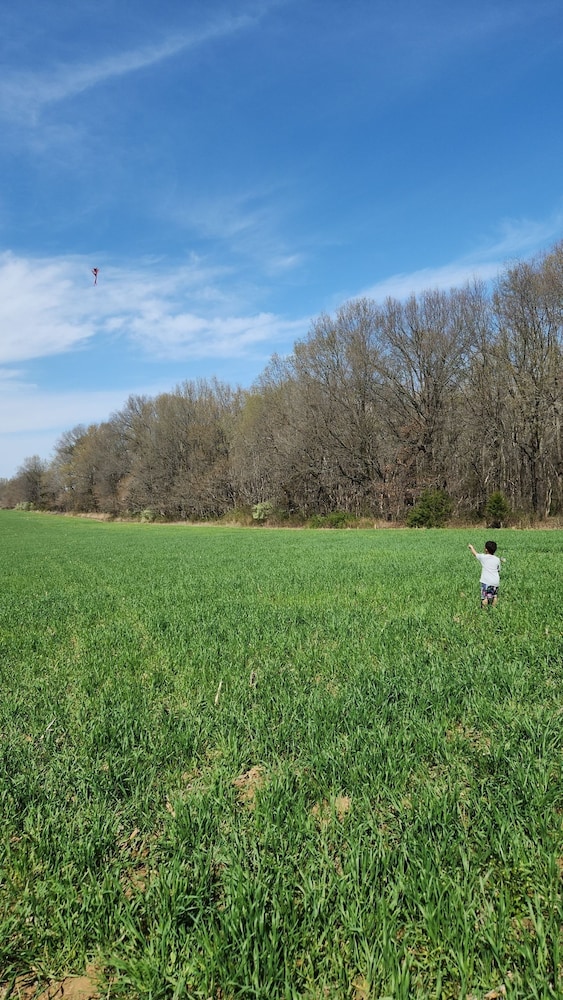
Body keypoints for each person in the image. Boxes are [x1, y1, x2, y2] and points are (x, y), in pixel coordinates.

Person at [468, 540, 501, 607]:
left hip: (486, 581)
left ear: (486, 549)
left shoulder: (483, 557)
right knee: (494, 596)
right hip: (495, 581)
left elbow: (475, 554)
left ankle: (483, 612)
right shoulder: (497, 559)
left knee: (485, 598)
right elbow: (498, 569)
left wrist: (471, 547)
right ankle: (493, 609)